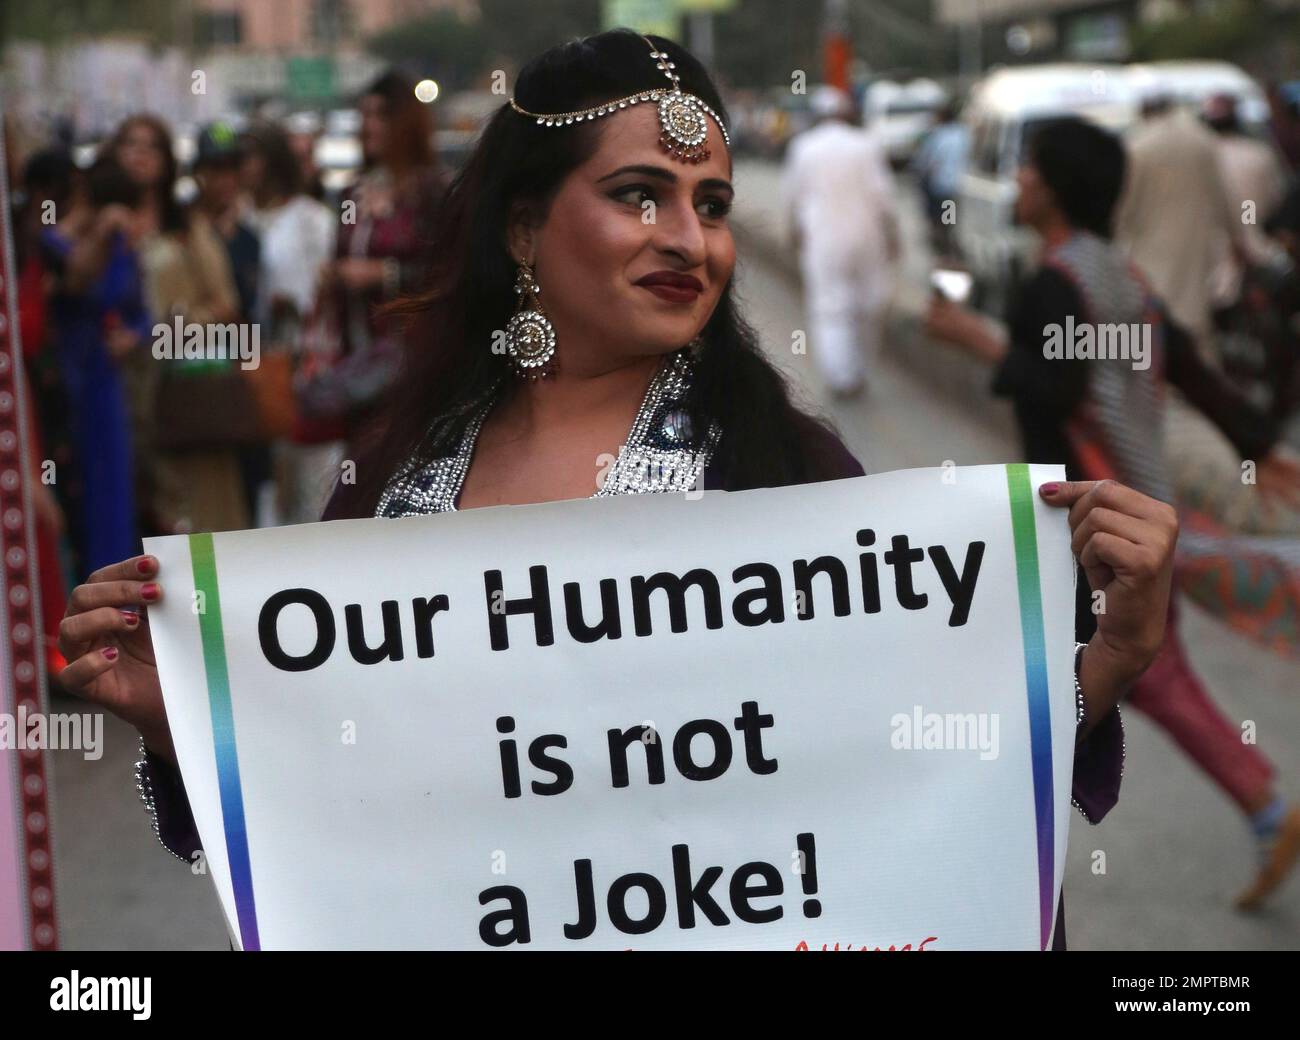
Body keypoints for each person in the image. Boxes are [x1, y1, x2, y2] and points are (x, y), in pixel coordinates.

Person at [58, 30, 1179, 949]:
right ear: (524, 226)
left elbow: (909, 772)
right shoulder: (397, 487)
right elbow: (333, 821)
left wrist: (1090, 669)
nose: (689, 239)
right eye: (641, 194)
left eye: (713, 202)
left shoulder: (786, 473)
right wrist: (190, 724)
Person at [925, 116, 1300, 910]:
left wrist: (969, 336)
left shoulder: (1054, 284)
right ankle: (1265, 810)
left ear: (1053, 187)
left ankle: (1267, 810)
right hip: (1140, 500)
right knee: (1140, 672)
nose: (1017, 184)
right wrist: (1256, 438)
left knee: (1122, 674)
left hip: (1089, 518)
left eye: (1027, 172)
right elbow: (1189, 364)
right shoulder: (1122, 276)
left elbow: (1051, 387)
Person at [108, 114, 250, 537]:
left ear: (168, 160)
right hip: (116, 391)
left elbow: (226, 307)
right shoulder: (101, 225)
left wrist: (161, 331)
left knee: (195, 520)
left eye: (151, 146)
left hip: (185, 394)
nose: (139, 154)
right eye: (130, 143)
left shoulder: (187, 227)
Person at [298, 70, 443, 458]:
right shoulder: (352, 192)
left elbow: (451, 274)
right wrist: (333, 276)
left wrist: (385, 274)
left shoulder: (431, 192)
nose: (369, 126)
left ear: (404, 124)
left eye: (380, 116)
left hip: (412, 364)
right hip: (356, 364)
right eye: (364, 115)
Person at [41, 155, 151, 577]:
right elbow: (72, 280)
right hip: (67, 380)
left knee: (112, 493)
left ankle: (116, 590)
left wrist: (133, 335)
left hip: (107, 382)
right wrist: (97, 231)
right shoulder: (54, 242)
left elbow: (141, 312)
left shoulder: (124, 246)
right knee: (74, 492)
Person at [781, 85, 899, 398]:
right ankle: (857, 371)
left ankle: (841, 377)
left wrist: (793, 232)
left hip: (824, 240)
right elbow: (884, 196)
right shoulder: (865, 144)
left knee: (830, 309)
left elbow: (792, 196)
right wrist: (893, 236)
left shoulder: (804, 147)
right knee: (868, 303)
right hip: (866, 236)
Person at [1113, 92, 1245, 358]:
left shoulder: (1138, 145)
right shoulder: (1209, 144)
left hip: (1149, 271)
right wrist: (1245, 239)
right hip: (1198, 269)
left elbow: (1121, 215)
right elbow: (1239, 207)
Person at [911, 101, 968, 259]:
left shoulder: (938, 136)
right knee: (953, 219)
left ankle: (947, 251)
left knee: (946, 222)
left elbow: (926, 162)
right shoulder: (964, 133)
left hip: (944, 186)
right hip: (962, 185)